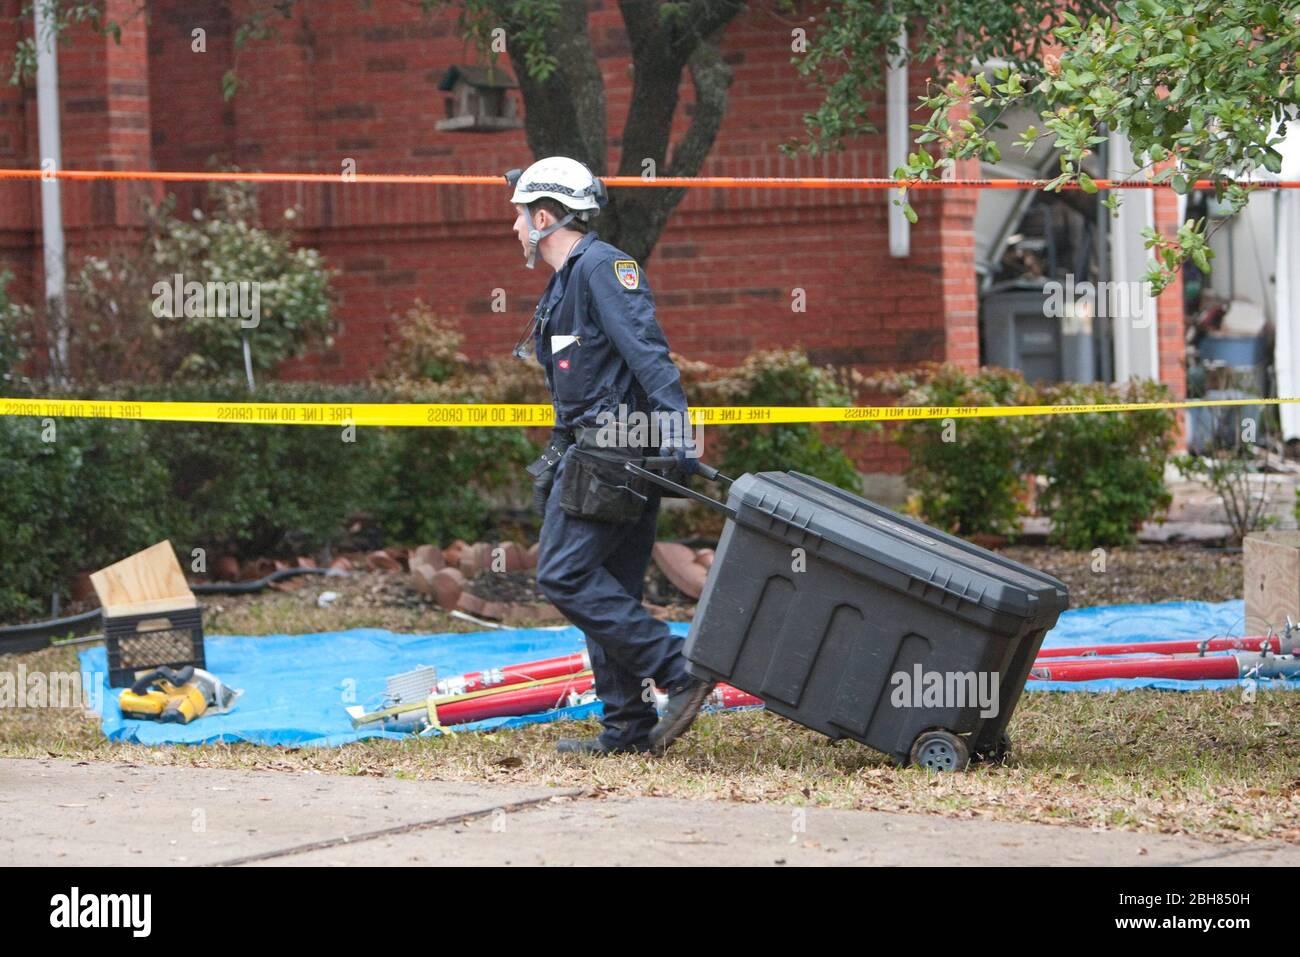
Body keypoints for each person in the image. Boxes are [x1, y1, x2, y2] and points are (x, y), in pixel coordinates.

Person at [504, 156, 713, 755]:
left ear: (544, 217)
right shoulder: (566, 279)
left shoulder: (602, 267)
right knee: (610, 587)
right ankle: (627, 728)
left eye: (520, 216)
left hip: (616, 450)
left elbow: (648, 351)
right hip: (601, 449)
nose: (515, 229)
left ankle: (676, 668)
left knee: (562, 575)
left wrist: (677, 428)